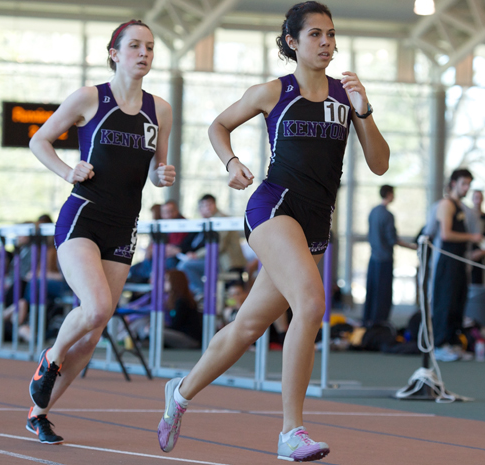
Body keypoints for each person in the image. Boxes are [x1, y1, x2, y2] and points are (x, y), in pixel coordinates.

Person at [156, 3, 389, 461]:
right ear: (292, 43)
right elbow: (218, 125)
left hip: (316, 222)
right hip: (274, 207)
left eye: (331, 34)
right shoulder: (272, 92)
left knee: (247, 326)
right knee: (311, 302)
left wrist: (365, 111)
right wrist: (232, 161)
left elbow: (379, 164)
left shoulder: (347, 97)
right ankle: (291, 432)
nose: (326, 43)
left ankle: (179, 394)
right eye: (315, 35)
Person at [25, 19, 175, 445]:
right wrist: (68, 171)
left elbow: (155, 169)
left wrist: (162, 175)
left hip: (124, 225)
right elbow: (40, 141)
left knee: (92, 337)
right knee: (94, 308)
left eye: (149, 47)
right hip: (83, 217)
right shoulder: (91, 98)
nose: (143, 53)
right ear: (114, 53)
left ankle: (39, 413)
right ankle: (50, 359)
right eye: (134, 46)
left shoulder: (160, 109)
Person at [429, 169, 483, 362]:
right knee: (445, 301)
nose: (467, 188)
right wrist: (472, 237)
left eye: (469, 184)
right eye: (463, 184)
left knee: (458, 302)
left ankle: (452, 342)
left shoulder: (462, 208)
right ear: (453, 183)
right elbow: (445, 234)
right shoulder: (446, 205)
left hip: (460, 262)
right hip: (447, 262)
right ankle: (440, 344)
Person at [362, 185, 416, 327]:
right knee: (383, 293)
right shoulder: (388, 215)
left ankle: (368, 321)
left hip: (373, 258)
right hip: (384, 259)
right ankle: (379, 323)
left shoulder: (373, 212)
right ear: (389, 194)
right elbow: (392, 240)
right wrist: (413, 247)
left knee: (372, 291)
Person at [177, 194, 248, 294]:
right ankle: (202, 294)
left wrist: (196, 255)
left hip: (228, 263)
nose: (206, 208)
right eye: (203, 206)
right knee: (184, 266)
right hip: (218, 261)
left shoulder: (221, 220)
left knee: (185, 266)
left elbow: (218, 245)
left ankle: (203, 294)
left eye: (209, 204)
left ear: (215, 204)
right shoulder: (209, 221)